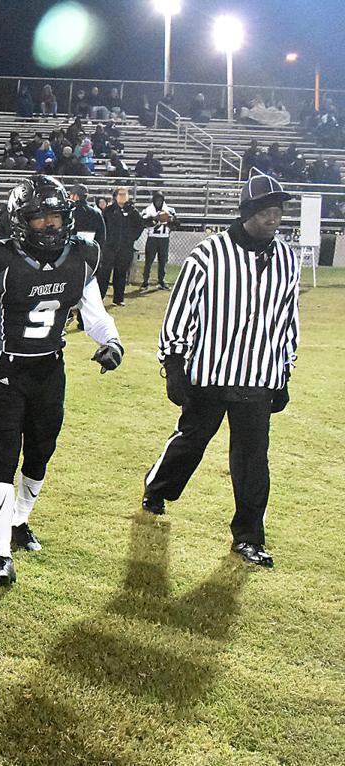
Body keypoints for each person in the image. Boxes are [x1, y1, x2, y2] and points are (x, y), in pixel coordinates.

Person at [0, 175, 124, 588]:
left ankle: (19, 521)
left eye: (55, 216)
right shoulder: (1, 259)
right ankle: (1, 554)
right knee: (4, 459)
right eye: (39, 218)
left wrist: (111, 341)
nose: (50, 225)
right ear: (21, 221)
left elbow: (94, 314)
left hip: (49, 369)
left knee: (41, 455)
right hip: (7, 370)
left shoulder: (80, 257)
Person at [142, 172, 301, 568]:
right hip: (210, 374)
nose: (273, 218)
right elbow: (180, 311)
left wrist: (283, 372)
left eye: (278, 211)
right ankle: (157, 488)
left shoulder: (287, 258)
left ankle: (248, 537)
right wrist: (174, 365)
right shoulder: (209, 253)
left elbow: (288, 318)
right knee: (191, 441)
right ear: (247, 212)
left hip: (259, 376)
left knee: (252, 459)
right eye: (265, 211)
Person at [102, 187, 145, 306]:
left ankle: (118, 299)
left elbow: (140, 225)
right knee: (104, 274)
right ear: (115, 196)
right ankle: (100, 298)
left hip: (125, 248)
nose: (122, 197)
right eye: (120, 194)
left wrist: (131, 238)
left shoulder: (132, 211)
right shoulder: (108, 210)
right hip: (109, 247)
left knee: (121, 273)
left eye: (125, 194)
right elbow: (102, 226)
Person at [140, 191, 179, 290]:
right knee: (148, 261)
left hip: (164, 238)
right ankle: (145, 281)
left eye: (160, 200)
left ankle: (161, 281)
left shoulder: (170, 210)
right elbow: (142, 221)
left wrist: (170, 220)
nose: (158, 202)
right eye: (157, 200)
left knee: (163, 261)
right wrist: (154, 218)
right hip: (152, 238)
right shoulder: (148, 210)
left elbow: (177, 224)